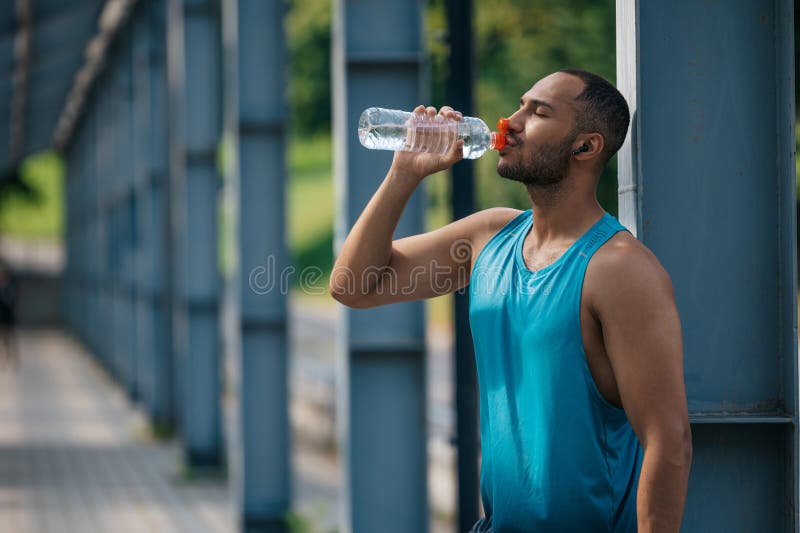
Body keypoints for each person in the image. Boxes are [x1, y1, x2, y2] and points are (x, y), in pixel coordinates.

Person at [329, 69, 692, 532]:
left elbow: (669, 440)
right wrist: (403, 173)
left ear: (586, 147)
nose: (511, 121)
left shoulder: (620, 269)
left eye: (538, 112)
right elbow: (354, 286)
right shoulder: (488, 237)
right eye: (521, 105)